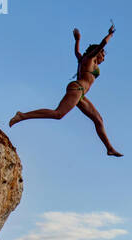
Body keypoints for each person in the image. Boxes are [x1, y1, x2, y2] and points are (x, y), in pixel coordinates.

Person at [8, 24, 123, 157]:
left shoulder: (83, 59)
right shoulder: (90, 59)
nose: (104, 57)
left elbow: (77, 53)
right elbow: (102, 44)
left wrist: (77, 40)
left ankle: (109, 148)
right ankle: (22, 115)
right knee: (58, 114)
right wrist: (110, 34)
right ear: (98, 53)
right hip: (77, 88)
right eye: (103, 54)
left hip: (81, 94)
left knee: (98, 119)